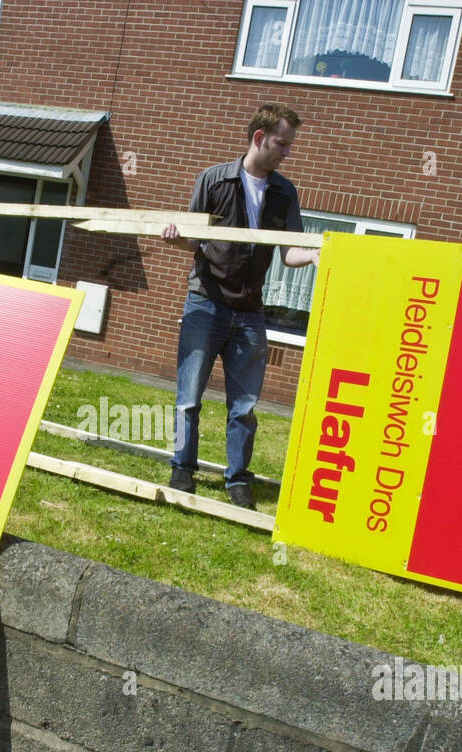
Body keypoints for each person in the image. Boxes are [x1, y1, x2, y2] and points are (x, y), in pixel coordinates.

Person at [161, 103, 320, 509]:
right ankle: (183, 468)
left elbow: (290, 253)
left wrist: (318, 254)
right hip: (205, 302)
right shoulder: (214, 180)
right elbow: (193, 240)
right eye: (282, 144)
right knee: (188, 396)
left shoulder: (284, 192)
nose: (287, 153)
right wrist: (174, 236)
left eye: (289, 146)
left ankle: (238, 480)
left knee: (245, 404)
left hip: (250, 310)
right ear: (259, 138)